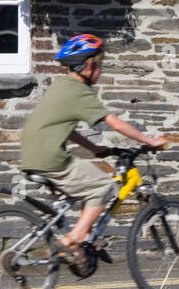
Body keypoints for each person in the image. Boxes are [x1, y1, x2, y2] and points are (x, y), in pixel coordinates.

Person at [19, 34, 167, 269]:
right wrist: (150, 140)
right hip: (51, 157)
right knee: (104, 186)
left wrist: (95, 148)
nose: (100, 71)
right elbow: (114, 123)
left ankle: (84, 240)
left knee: (84, 190)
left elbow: (66, 130)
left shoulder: (62, 87)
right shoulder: (78, 91)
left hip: (34, 154)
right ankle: (72, 240)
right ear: (89, 65)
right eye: (100, 65)